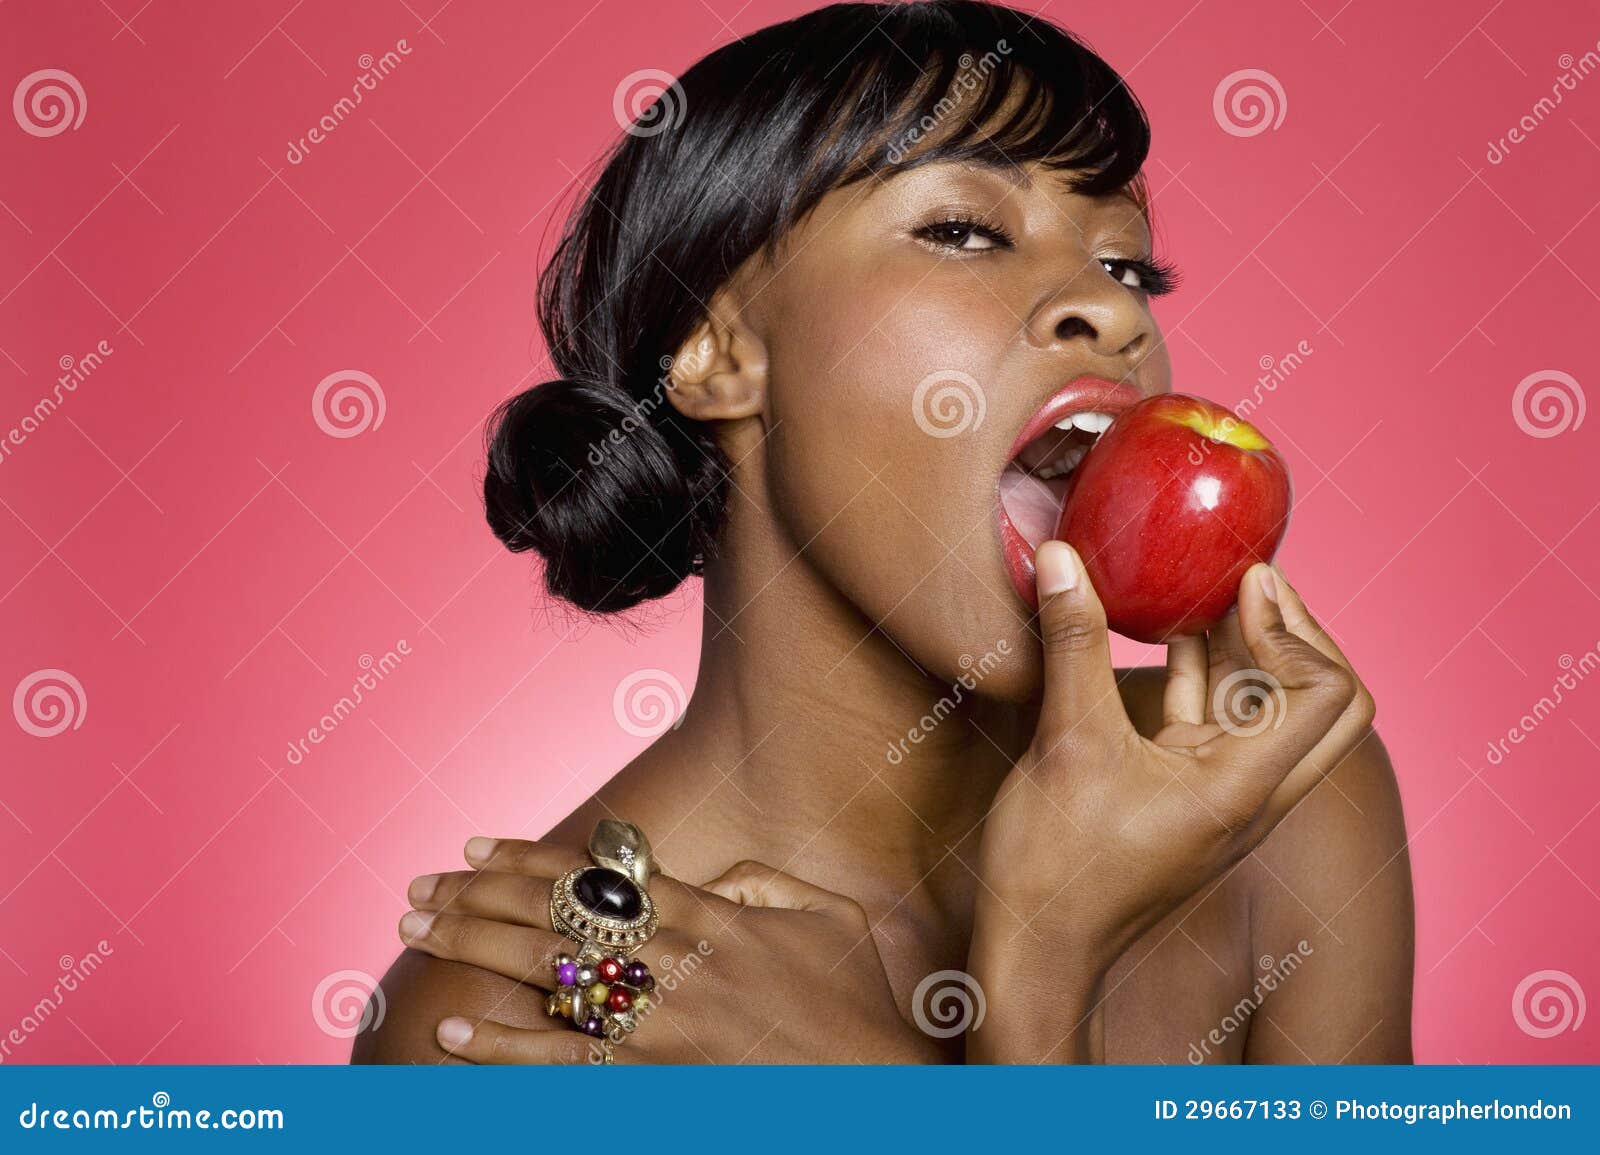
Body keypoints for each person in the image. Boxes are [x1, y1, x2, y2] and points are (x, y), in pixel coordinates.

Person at [352, 0, 1412, 1065]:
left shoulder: (1274, 812)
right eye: (962, 229)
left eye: (1127, 268)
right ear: (716, 353)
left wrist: (1015, 993)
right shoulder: (534, 1012)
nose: (1113, 310)